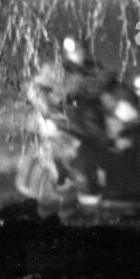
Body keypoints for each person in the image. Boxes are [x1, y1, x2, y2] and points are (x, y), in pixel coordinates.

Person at [26, 36, 112, 200]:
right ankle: (65, 188)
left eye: (81, 49)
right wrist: (47, 109)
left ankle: (95, 188)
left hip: (92, 122)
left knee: (103, 153)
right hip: (66, 123)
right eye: (74, 51)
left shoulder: (94, 68)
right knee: (74, 157)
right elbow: (35, 88)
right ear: (67, 53)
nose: (78, 54)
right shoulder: (57, 70)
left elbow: (107, 86)